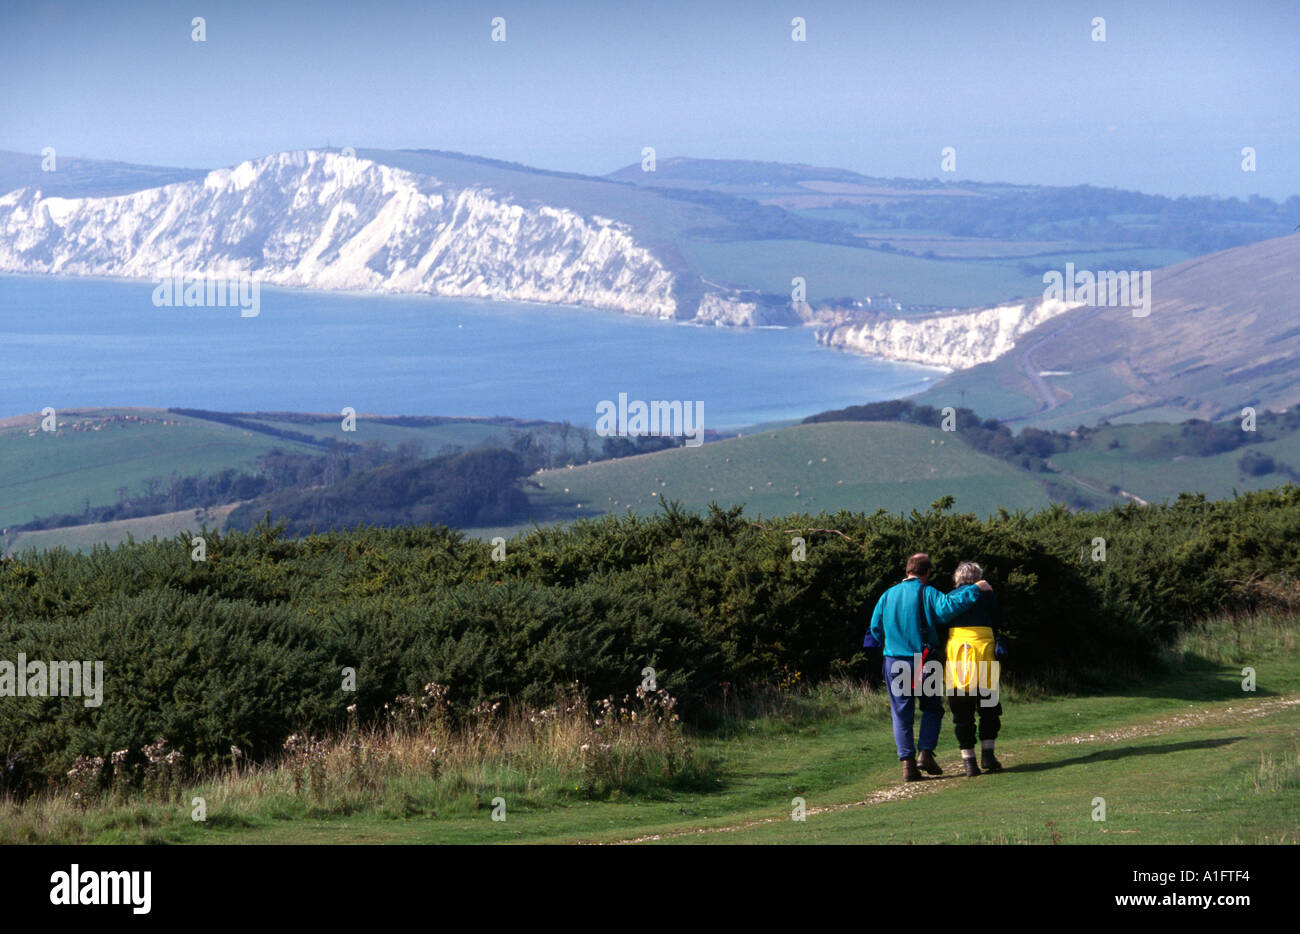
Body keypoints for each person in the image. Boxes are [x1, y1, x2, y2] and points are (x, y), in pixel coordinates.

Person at [868, 553, 992, 782]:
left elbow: (875, 629)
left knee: (901, 715)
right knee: (932, 709)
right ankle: (925, 753)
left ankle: (907, 765)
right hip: (924, 660)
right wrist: (975, 588)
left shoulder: (887, 594)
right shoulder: (927, 592)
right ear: (927, 573)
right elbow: (947, 609)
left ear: (907, 571)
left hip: (894, 660)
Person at [941, 561, 1005, 777]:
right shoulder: (986, 595)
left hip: (958, 653)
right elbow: (998, 619)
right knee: (989, 706)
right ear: (978, 577)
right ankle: (988, 755)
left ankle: (969, 761)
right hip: (985, 650)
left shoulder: (950, 598)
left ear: (957, 578)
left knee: (962, 711)